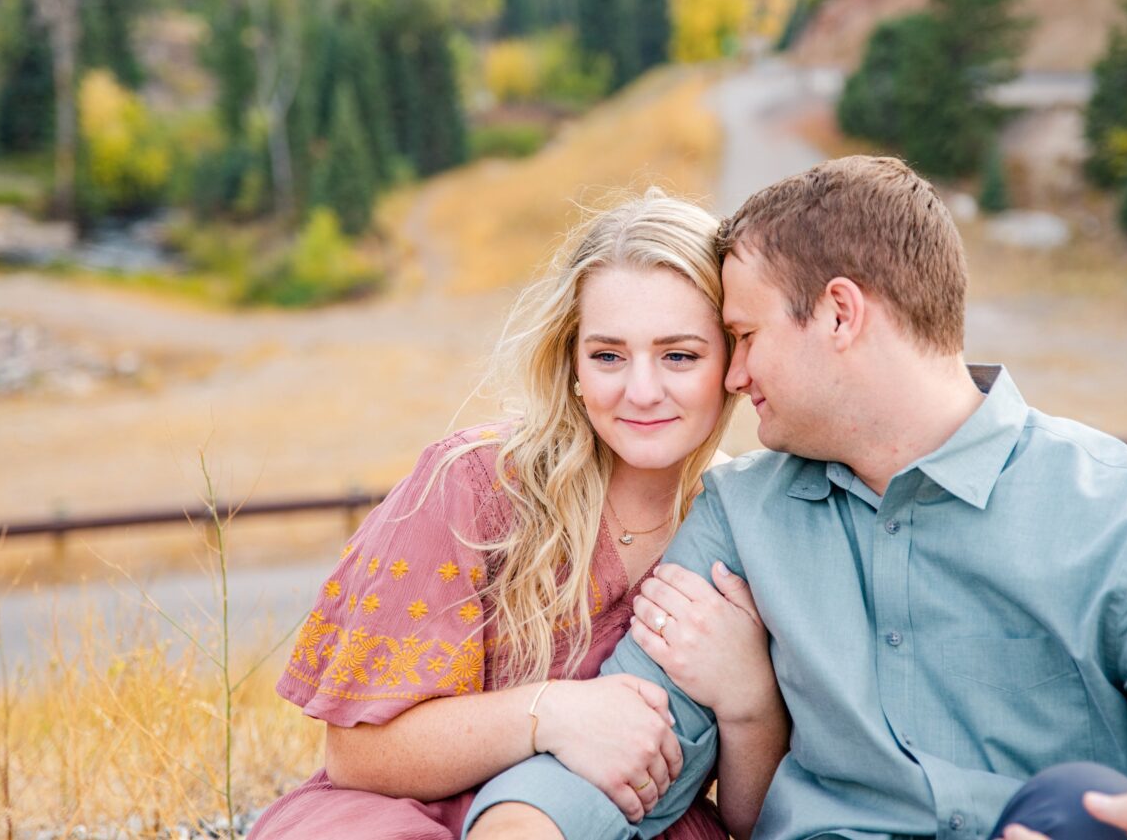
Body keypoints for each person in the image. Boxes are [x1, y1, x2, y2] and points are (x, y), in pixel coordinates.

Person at [463, 155, 1127, 840]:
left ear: (840, 314)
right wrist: (524, 821)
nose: (733, 374)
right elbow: (618, 748)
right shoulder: (742, 517)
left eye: (746, 336)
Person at [248, 191, 789, 840]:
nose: (641, 391)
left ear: (731, 360)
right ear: (572, 363)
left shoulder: (745, 525)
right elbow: (356, 755)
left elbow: (754, 821)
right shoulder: (473, 486)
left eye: (679, 355)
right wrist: (549, 715)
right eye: (608, 355)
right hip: (410, 819)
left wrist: (751, 702)